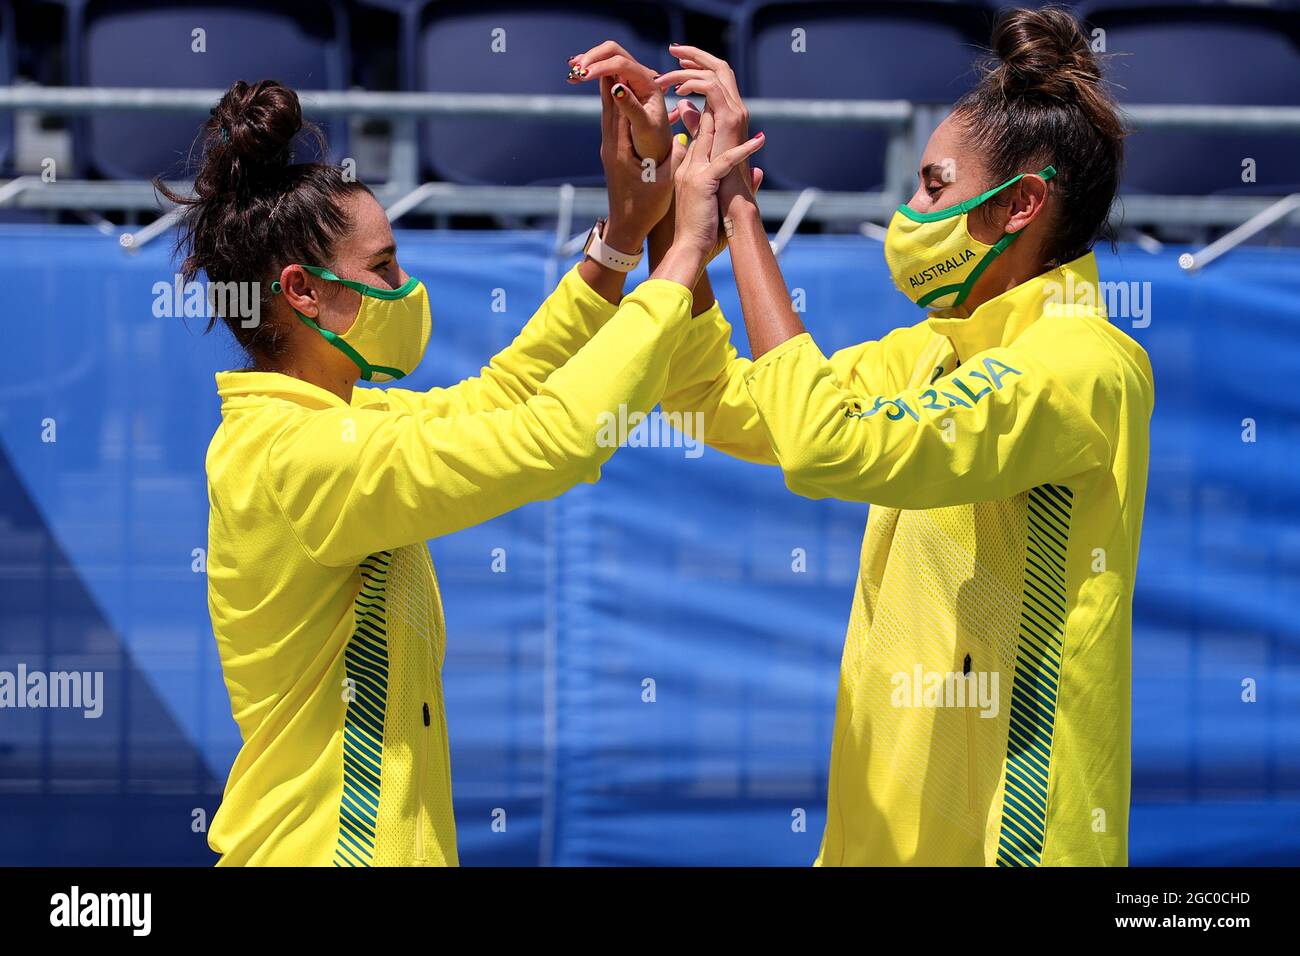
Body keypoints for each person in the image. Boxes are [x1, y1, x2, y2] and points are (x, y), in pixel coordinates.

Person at [574, 5, 1153, 865]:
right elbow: (719, 402)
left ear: (1021, 204)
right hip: (879, 833)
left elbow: (827, 448)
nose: (908, 210)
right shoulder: (938, 348)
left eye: (933, 185)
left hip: (1007, 841)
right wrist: (667, 195)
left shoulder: (1081, 365)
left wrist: (738, 216)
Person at [168, 77, 763, 865]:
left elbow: (506, 397)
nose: (404, 287)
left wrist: (623, 238)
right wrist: (681, 252)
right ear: (303, 293)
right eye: (382, 268)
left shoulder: (337, 426)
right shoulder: (301, 457)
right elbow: (553, 438)